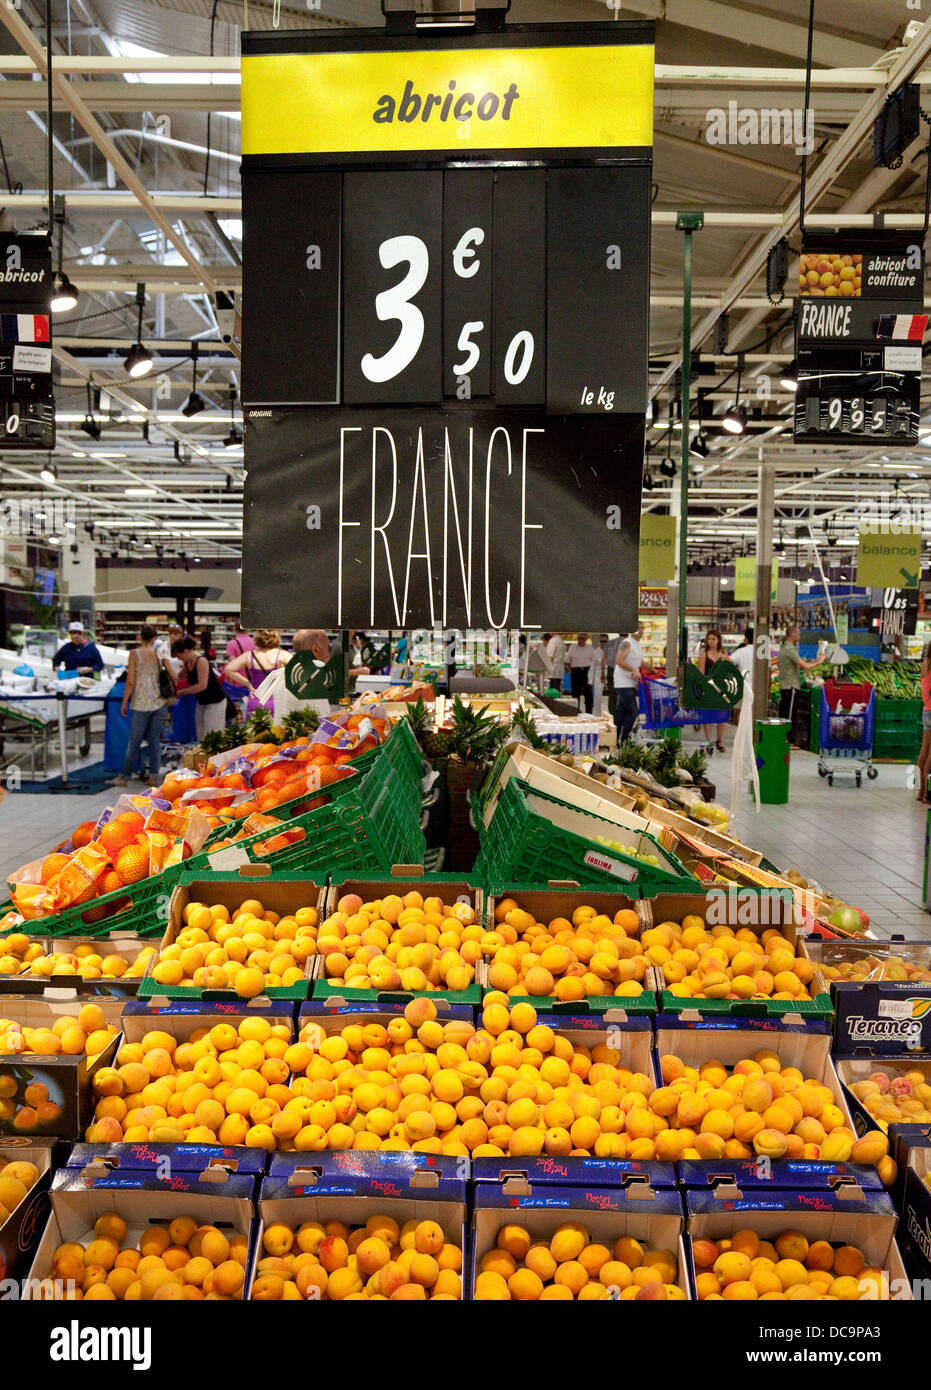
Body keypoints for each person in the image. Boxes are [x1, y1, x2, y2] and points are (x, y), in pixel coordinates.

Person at [109, 624, 174, 786]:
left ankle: (124, 777)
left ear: (140, 636)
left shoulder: (135, 654)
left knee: (134, 741)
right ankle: (154, 776)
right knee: (154, 741)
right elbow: (173, 674)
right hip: (159, 701)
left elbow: (130, 681)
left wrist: (125, 701)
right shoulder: (160, 652)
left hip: (140, 702)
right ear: (154, 637)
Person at [223, 627, 291, 714]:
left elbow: (228, 669)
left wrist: (247, 683)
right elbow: (301, 670)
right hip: (277, 701)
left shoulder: (249, 655)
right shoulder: (283, 655)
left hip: (256, 699)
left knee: (255, 726)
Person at [178, 637, 227, 740]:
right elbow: (179, 676)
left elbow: (202, 685)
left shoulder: (201, 661)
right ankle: (203, 755)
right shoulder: (187, 663)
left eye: (179, 656)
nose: (179, 659)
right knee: (201, 733)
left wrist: (183, 692)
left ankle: (214, 756)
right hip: (202, 701)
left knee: (212, 734)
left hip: (215, 701)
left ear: (186, 651)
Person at [777, 624, 820, 735]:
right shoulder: (790, 649)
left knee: (785, 712)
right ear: (792, 634)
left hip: (785, 686)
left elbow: (800, 665)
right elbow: (805, 666)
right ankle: (787, 739)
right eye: (798, 633)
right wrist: (820, 661)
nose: (799, 636)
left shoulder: (784, 648)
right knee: (789, 715)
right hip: (790, 687)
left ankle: (784, 738)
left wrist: (812, 662)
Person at [694, 628, 731, 753]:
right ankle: (709, 740)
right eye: (709, 639)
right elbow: (701, 672)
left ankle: (719, 740)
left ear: (718, 640)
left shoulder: (723, 654)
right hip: (708, 688)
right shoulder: (704, 654)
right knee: (707, 716)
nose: (711, 641)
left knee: (722, 715)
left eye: (713, 639)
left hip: (721, 689)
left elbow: (729, 668)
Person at [614, 624, 644, 743]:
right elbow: (618, 661)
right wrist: (633, 670)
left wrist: (652, 670)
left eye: (642, 628)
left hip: (630, 683)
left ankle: (615, 738)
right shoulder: (627, 643)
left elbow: (639, 661)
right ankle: (625, 739)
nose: (640, 630)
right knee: (632, 712)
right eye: (637, 627)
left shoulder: (638, 645)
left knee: (622, 712)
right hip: (623, 682)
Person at [567, 632, 595, 713]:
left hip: (587, 671)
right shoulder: (572, 647)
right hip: (575, 672)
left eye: (582, 638)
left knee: (588, 694)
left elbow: (594, 662)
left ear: (586, 639)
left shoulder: (590, 648)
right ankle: (575, 712)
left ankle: (589, 713)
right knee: (575, 694)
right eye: (579, 638)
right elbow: (567, 661)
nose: (580, 640)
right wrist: (570, 671)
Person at [917, 642, 931, 804]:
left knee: (924, 752)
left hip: (927, 710)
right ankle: (927, 793)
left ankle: (921, 791)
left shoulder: (925, 666)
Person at [593, 634, 609, 716]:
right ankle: (596, 715)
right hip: (598, 672)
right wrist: (590, 679)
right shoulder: (596, 652)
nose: (603, 643)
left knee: (613, 696)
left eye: (604, 641)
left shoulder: (611, 651)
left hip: (609, 672)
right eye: (601, 641)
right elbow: (592, 666)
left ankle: (611, 715)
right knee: (597, 695)